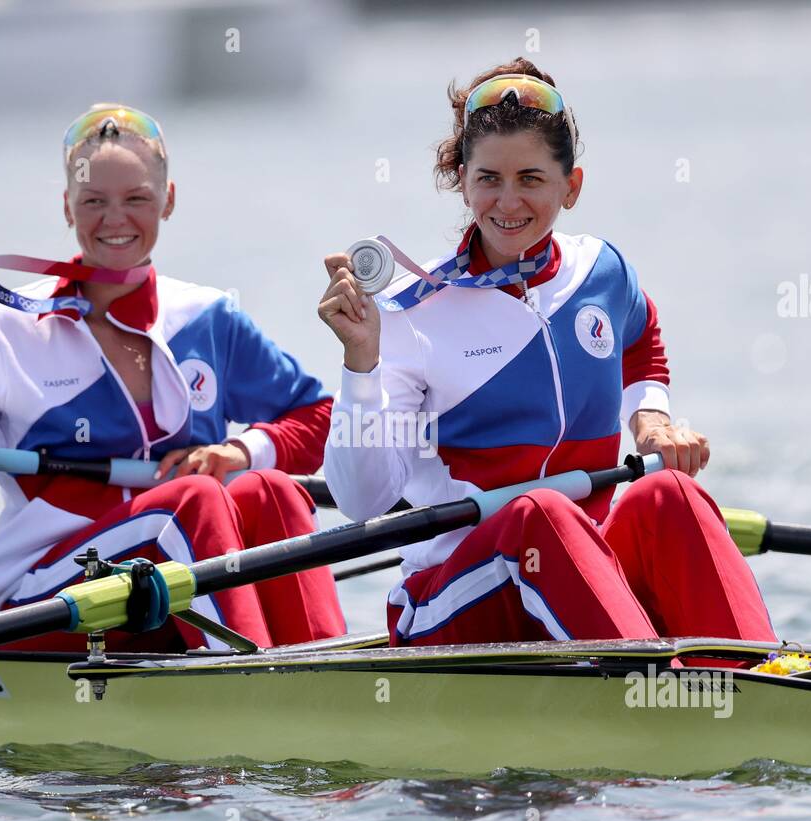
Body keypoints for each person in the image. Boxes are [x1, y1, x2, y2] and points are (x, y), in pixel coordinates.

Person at [318, 62, 774, 647]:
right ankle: (656, 691)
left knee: (669, 494)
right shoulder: (412, 313)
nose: (508, 203)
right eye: (489, 179)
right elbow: (362, 501)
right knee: (543, 513)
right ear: (463, 180)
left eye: (531, 178)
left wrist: (652, 419)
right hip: (448, 596)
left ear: (572, 186)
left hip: (585, 562)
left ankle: (759, 678)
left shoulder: (601, 271)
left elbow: (640, 332)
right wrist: (361, 363)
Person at [0, 103, 344, 651]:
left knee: (268, 490)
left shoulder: (206, 318)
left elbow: (322, 417)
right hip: (48, 600)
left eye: (136, 199)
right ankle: (254, 681)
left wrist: (241, 452)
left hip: (164, 593)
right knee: (198, 500)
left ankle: (320, 666)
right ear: (67, 207)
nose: (115, 220)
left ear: (169, 200)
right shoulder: (4, 331)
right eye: (93, 202)